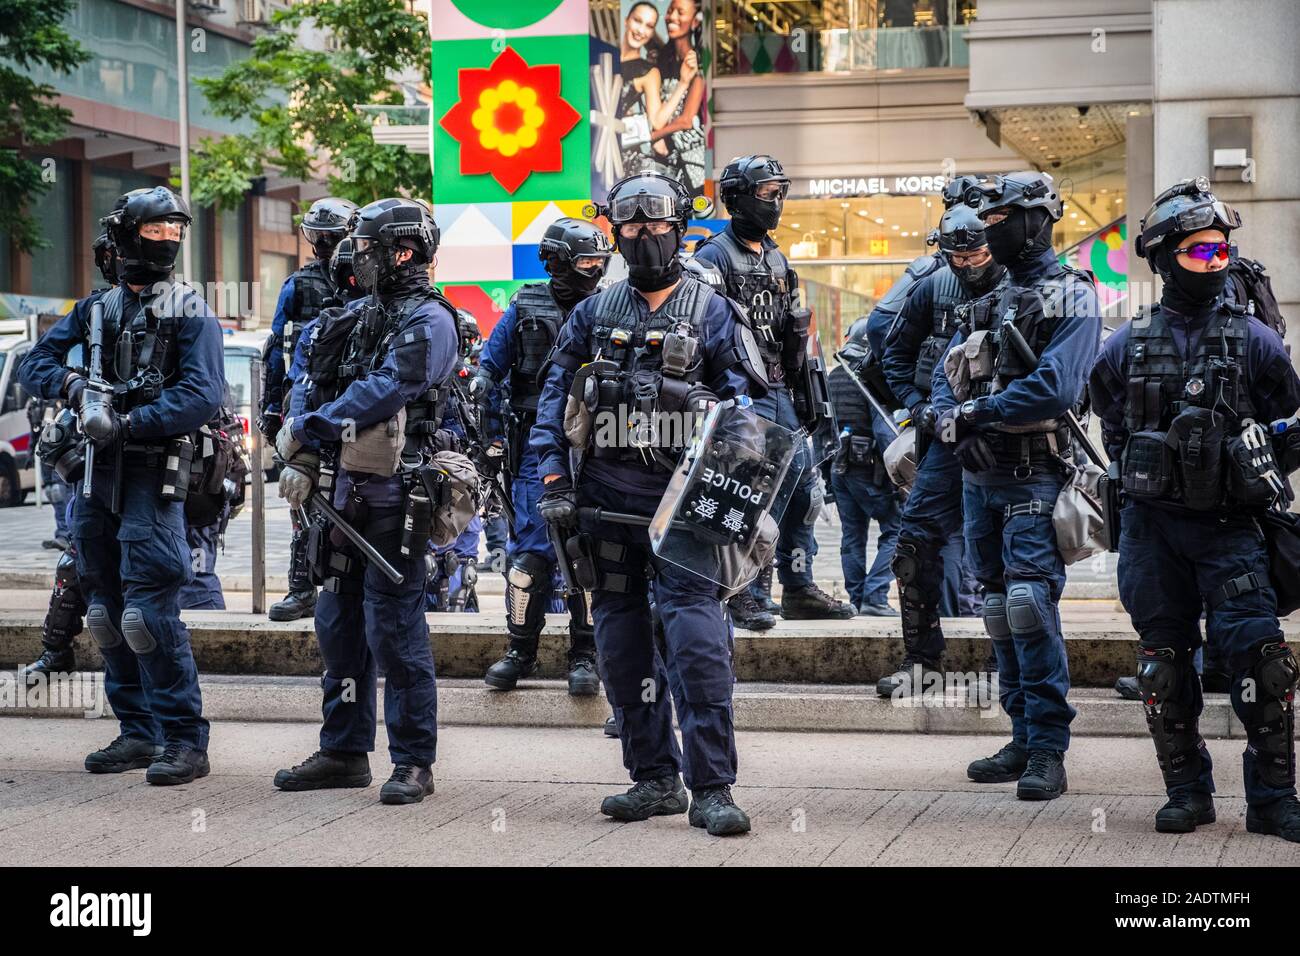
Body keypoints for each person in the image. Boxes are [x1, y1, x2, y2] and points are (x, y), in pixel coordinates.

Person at [532, 173, 770, 835]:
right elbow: (553, 404)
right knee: (622, 648)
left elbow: (752, 419)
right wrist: (553, 482)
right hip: (606, 505)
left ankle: (713, 787)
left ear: (680, 227)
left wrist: (697, 408)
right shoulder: (592, 313)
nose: (643, 237)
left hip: (687, 509)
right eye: (630, 226)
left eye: (656, 225)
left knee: (698, 649)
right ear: (615, 232)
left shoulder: (712, 310)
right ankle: (654, 779)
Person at [1089, 177, 1300, 840]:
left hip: (1232, 528)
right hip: (1154, 532)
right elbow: (1110, 423)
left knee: (1263, 664)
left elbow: (1289, 424)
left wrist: (1250, 464)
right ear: (1162, 258)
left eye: (1222, 253)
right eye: (1200, 254)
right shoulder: (1125, 343)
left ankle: (1271, 798)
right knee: (1163, 664)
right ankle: (1187, 790)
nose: (1217, 265)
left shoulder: (1256, 342)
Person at [19, 185, 224, 785]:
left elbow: (203, 396)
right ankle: (137, 732)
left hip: (151, 475)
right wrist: (79, 390)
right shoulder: (95, 308)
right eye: (155, 232)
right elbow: (36, 363)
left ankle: (184, 739)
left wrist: (131, 421)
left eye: (173, 233)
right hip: (94, 476)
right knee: (104, 610)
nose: (166, 242)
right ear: (124, 237)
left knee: (148, 614)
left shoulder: (191, 310)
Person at [271, 198, 458, 806]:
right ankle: (344, 750)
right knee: (337, 624)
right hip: (340, 494)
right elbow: (309, 377)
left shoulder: (432, 322)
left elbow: (389, 388)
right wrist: (301, 442)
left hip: (397, 496)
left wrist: (315, 426)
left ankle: (412, 762)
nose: (356, 257)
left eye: (368, 248)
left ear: (402, 253)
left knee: (395, 628)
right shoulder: (351, 316)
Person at [930, 171, 1101, 800]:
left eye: (1002, 219)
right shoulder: (990, 296)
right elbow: (944, 375)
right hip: (982, 476)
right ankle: (1023, 734)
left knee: (1030, 605)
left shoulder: (1075, 296)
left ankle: (1049, 748)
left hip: (1035, 472)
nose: (989, 230)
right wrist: (949, 422)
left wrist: (977, 414)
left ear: (1037, 220)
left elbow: (1056, 388)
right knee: (998, 610)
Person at [695, 154, 855, 628]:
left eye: (779, 191)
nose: (776, 201)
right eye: (767, 192)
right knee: (746, 495)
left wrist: (809, 393)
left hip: (784, 388)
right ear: (739, 198)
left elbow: (793, 329)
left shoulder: (777, 257)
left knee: (804, 493)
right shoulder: (713, 257)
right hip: (742, 391)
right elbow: (705, 332)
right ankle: (745, 591)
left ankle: (799, 587)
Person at [471, 218, 613, 694]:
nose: (594, 268)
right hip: (534, 444)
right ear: (557, 260)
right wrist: (488, 441)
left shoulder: (611, 307)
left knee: (587, 551)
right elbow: (489, 371)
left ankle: (586, 655)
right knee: (530, 556)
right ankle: (520, 651)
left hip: (597, 443)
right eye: (585, 260)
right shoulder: (525, 306)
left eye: (599, 259)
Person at [876, 203, 1004, 696]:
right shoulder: (931, 286)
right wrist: (918, 407)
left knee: (1010, 556)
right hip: (944, 440)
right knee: (913, 545)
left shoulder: (1021, 285)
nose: (965, 264)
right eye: (955, 256)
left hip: (1007, 440)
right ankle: (922, 660)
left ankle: (1006, 665)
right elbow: (895, 355)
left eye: (975, 255)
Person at [261, 196, 358, 624]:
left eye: (330, 237)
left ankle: (348, 588)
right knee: (300, 493)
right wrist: (270, 406)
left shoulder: (369, 279)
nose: (321, 245)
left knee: (355, 496)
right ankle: (302, 587)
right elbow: (275, 349)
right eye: (315, 237)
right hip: (304, 399)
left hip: (356, 406)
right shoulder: (299, 285)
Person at [827, 345, 901, 616]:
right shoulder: (869, 375)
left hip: (839, 467)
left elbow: (824, 426)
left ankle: (858, 599)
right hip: (869, 470)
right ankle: (876, 595)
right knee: (897, 529)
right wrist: (900, 476)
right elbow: (884, 431)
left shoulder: (833, 375)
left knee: (852, 535)